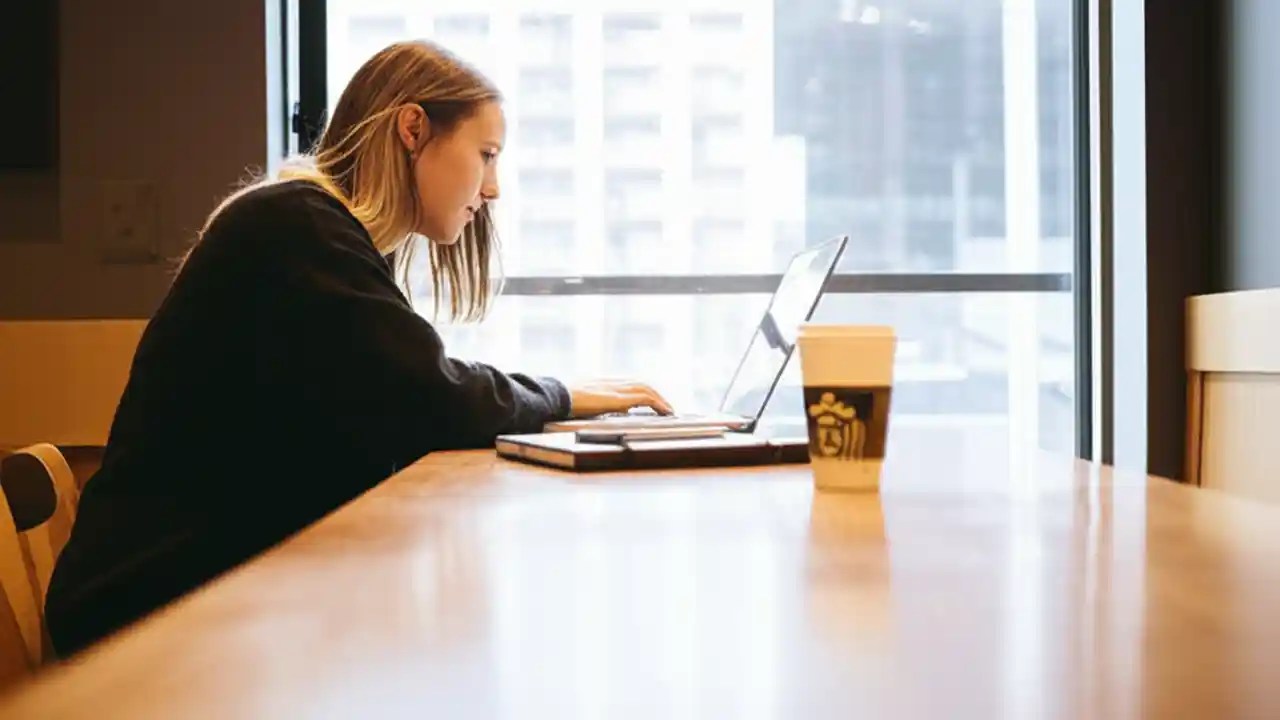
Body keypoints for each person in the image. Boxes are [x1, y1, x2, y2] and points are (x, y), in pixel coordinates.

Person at [45, 40, 672, 657]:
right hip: (146, 611)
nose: (494, 188)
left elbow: (412, 392)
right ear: (412, 128)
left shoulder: (322, 237)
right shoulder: (297, 227)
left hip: (203, 592)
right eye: (486, 154)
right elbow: (434, 396)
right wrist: (563, 397)